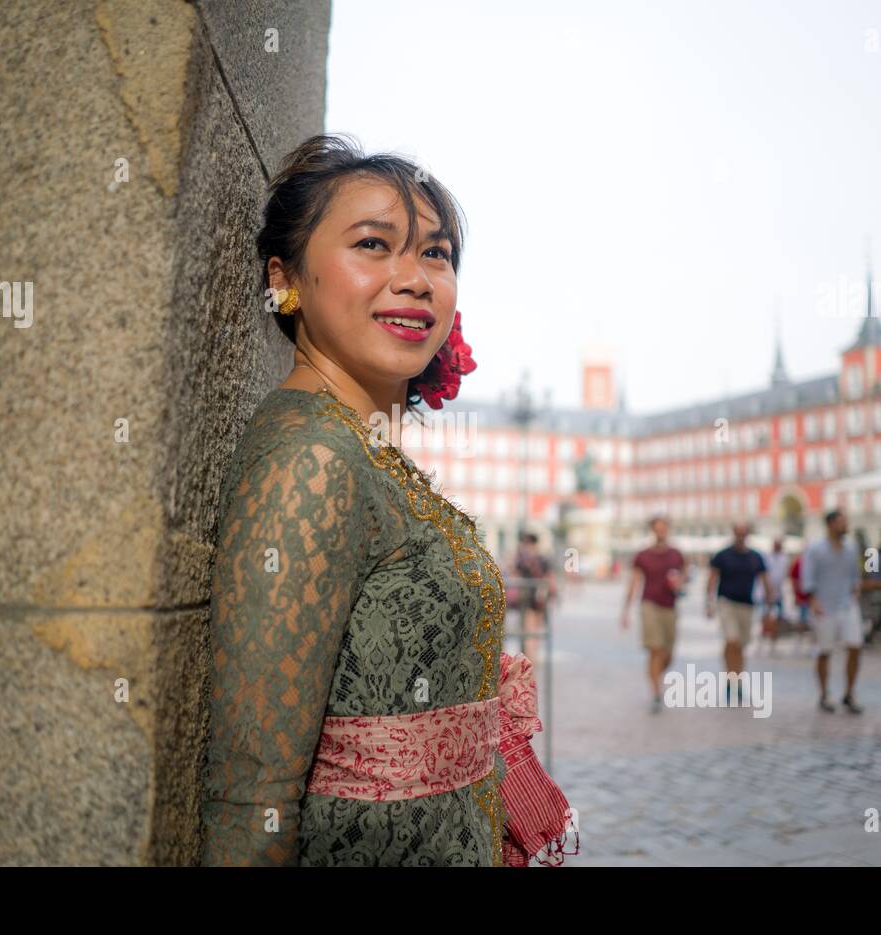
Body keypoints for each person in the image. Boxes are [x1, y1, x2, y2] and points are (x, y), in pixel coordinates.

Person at [205, 134, 576, 866]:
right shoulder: (312, 458)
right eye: (374, 244)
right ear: (285, 279)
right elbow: (253, 794)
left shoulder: (361, 448)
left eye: (435, 254)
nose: (414, 278)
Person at [621, 516, 686, 714]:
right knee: (655, 649)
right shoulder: (642, 555)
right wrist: (626, 610)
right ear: (652, 531)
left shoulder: (676, 555)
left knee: (668, 653)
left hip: (670, 606)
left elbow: (684, 577)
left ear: (668, 530)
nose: (661, 532)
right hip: (649, 605)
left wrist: (680, 584)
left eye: (664, 528)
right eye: (657, 529)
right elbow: (634, 582)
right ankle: (657, 693)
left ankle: (654, 673)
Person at [802, 509, 864, 714]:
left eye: (846, 521)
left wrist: (856, 588)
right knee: (824, 651)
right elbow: (807, 577)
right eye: (841, 522)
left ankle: (849, 693)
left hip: (847, 605)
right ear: (830, 525)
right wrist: (813, 601)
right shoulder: (815, 549)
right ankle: (824, 694)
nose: (845, 525)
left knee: (855, 646)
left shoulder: (852, 548)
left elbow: (857, 573)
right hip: (824, 606)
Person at [706, 522, 772, 703]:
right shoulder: (723, 555)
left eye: (744, 533)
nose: (741, 536)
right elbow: (712, 579)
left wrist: (769, 606)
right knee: (732, 639)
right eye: (738, 532)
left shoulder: (755, 557)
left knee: (741, 645)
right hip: (726, 603)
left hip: (747, 605)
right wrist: (709, 603)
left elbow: (766, 581)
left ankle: (737, 680)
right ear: (734, 533)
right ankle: (730, 679)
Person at [512, 531, 556, 665]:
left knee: (529, 630)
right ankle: (532, 656)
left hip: (527, 598)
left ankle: (530, 658)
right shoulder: (543, 559)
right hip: (540, 598)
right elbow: (550, 579)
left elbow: (515, 578)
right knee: (535, 630)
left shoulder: (522, 560)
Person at [761, 537, 790, 654]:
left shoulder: (784, 558)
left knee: (777, 618)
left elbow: (783, 575)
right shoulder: (767, 557)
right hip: (766, 593)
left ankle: (774, 642)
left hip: (778, 593)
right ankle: (764, 640)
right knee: (766, 618)